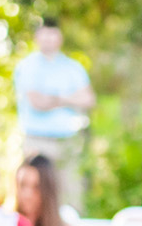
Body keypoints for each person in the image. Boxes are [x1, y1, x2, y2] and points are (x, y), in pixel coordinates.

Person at [12, 18, 94, 208]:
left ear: (60, 36)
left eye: (53, 33)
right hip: (37, 142)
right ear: (37, 36)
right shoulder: (27, 66)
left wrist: (55, 98)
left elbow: (89, 99)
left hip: (68, 143)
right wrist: (69, 98)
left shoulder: (73, 67)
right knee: (36, 198)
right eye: (44, 33)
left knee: (72, 197)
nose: (49, 38)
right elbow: (37, 102)